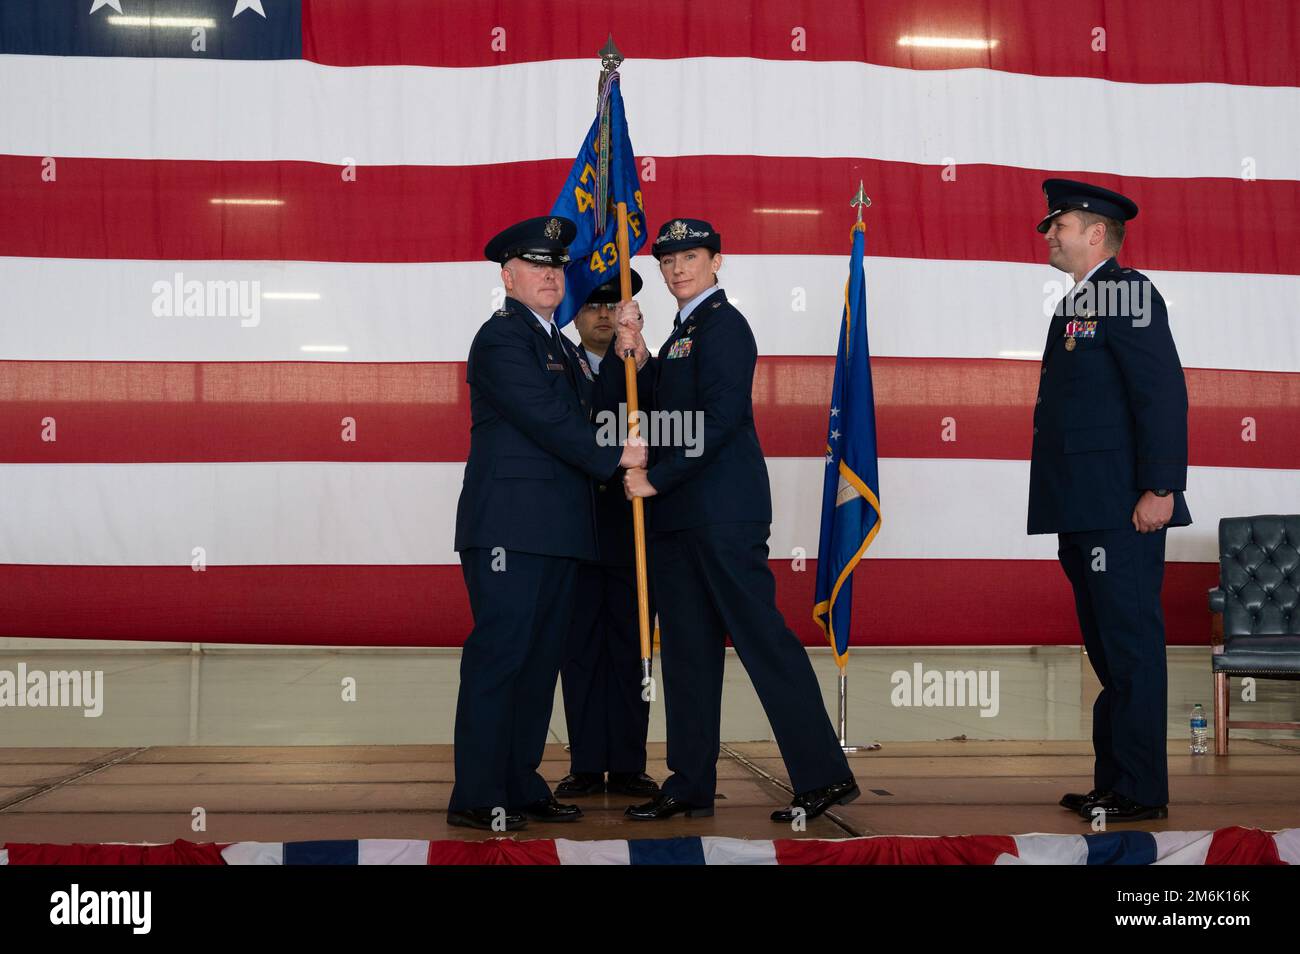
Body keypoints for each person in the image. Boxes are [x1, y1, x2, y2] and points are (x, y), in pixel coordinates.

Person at [613, 218, 858, 823]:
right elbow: (669, 411)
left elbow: (719, 421)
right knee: (689, 655)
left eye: (690, 257)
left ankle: (824, 775)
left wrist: (656, 479)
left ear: (717, 261)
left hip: (721, 515)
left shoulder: (725, 326)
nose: (676, 269)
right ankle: (689, 782)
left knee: (762, 642)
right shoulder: (682, 333)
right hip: (680, 519)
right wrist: (639, 354)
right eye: (667, 260)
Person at [448, 215, 647, 831]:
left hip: (559, 532)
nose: (551, 276)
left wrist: (625, 354)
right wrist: (616, 456)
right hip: (510, 530)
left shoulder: (561, 346)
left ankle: (519, 781)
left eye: (557, 267)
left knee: (538, 667)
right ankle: (479, 794)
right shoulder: (502, 339)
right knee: (502, 658)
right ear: (508, 276)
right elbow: (547, 420)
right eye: (537, 266)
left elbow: (593, 411)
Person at [1030, 180, 1191, 823]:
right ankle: (1116, 780)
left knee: (1130, 647)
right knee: (1108, 652)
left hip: (1122, 507)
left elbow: (1162, 393)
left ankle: (1142, 788)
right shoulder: (1079, 301)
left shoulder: (1127, 292)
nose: (1048, 235)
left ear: (1096, 232)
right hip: (1084, 506)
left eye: (1058, 224)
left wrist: (1161, 486)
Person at [555, 270, 660, 801]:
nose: (601, 314)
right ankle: (585, 762)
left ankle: (627, 764)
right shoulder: (554, 361)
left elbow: (670, 428)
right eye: (591, 305)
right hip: (570, 530)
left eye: (613, 304)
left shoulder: (643, 366)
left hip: (630, 529)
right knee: (579, 652)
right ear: (575, 313)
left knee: (631, 648)